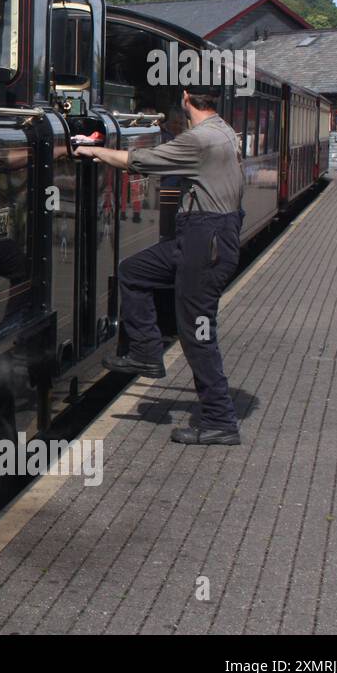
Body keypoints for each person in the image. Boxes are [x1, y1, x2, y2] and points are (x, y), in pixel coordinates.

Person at [75, 85, 244, 446]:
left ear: (185, 97)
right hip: (205, 235)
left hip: (205, 239)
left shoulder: (199, 140)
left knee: (197, 331)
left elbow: (140, 162)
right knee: (134, 271)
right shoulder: (224, 130)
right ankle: (147, 353)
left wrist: (90, 150)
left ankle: (220, 420)